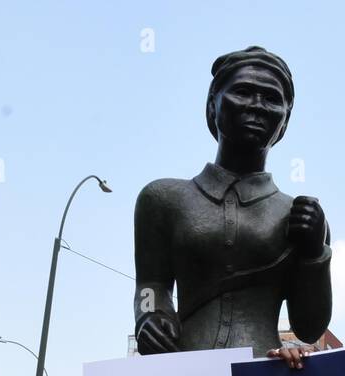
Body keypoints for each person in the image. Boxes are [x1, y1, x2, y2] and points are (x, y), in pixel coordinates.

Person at [133, 46, 331, 358]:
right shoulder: (162, 199)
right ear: (213, 103)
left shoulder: (300, 216)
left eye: (271, 98)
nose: (257, 106)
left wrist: (314, 254)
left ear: (285, 119)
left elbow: (309, 327)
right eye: (243, 92)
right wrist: (150, 316)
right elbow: (151, 285)